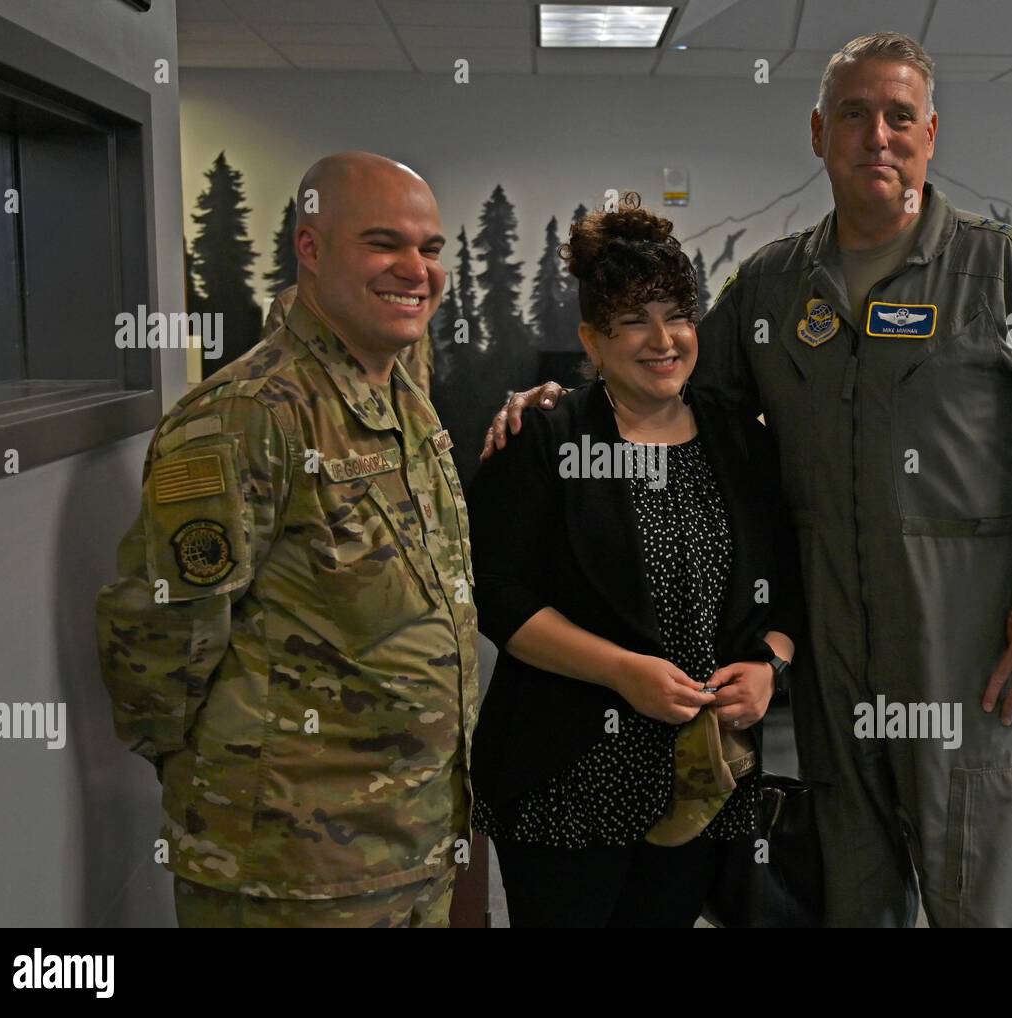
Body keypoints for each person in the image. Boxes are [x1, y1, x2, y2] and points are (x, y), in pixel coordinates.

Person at [483, 33, 1012, 927]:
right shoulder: (771, 285)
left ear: (931, 132)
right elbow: (675, 397)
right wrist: (563, 401)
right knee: (850, 887)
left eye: (899, 115)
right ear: (818, 132)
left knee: (983, 875)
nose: (878, 135)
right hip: (828, 653)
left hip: (966, 646)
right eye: (854, 113)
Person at [95, 151, 477, 928]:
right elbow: (160, 635)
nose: (416, 269)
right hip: (290, 874)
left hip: (413, 840)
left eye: (431, 248)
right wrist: (219, 778)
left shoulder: (400, 392)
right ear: (310, 247)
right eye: (384, 243)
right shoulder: (246, 415)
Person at [467, 201, 802, 927]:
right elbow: (497, 594)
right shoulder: (545, 437)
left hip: (699, 779)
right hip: (566, 773)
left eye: (676, 315)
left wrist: (770, 666)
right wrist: (620, 670)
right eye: (631, 321)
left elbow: (790, 588)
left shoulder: (740, 441)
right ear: (592, 338)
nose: (662, 339)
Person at [265, 284, 434, 395]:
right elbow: (271, 380)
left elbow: (416, 386)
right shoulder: (291, 303)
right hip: (309, 424)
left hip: (382, 429)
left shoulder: (400, 305)